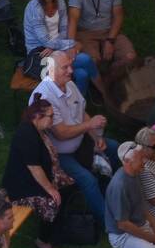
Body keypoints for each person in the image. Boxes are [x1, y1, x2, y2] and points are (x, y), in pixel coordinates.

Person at [31, 49, 118, 226]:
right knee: (88, 181)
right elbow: (61, 133)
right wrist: (89, 125)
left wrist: (94, 137)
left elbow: (82, 111)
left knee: (116, 148)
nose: (71, 71)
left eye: (71, 65)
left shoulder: (68, 84)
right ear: (51, 71)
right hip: (59, 154)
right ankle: (108, 224)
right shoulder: (44, 97)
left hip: (82, 141)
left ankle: (115, 197)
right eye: (65, 67)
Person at [2, 99, 68, 248]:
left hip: (31, 179)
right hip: (21, 187)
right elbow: (34, 167)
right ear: (38, 117)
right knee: (53, 201)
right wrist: (51, 189)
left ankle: (58, 229)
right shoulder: (27, 134)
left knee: (67, 187)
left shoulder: (38, 129)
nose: (53, 120)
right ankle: (43, 240)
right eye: (51, 117)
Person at [23, 0, 100, 95]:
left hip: (56, 47)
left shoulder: (59, 1)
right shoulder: (35, 9)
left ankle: (78, 105)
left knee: (82, 74)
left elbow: (64, 29)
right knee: (85, 59)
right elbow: (45, 41)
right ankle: (103, 90)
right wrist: (71, 44)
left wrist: (56, 46)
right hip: (40, 55)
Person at [67, 0, 137, 85]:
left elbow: (118, 16)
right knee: (92, 61)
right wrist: (70, 44)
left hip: (109, 29)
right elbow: (73, 19)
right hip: (86, 32)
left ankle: (111, 77)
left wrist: (110, 41)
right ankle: (99, 85)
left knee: (130, 57)